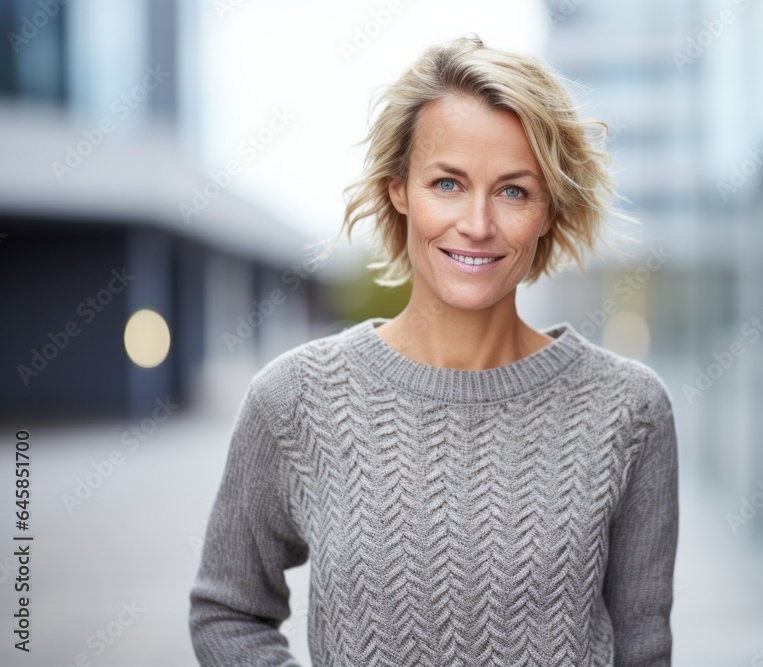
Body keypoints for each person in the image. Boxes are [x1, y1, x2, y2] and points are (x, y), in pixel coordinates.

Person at [189, 33, 679, 666]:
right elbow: (229, 610)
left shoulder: (629, 409)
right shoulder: (295, 399)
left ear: (550, 211)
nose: (477, 223)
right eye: (448, 183)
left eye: (513, 191)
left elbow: (642, 648)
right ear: (400, 189)